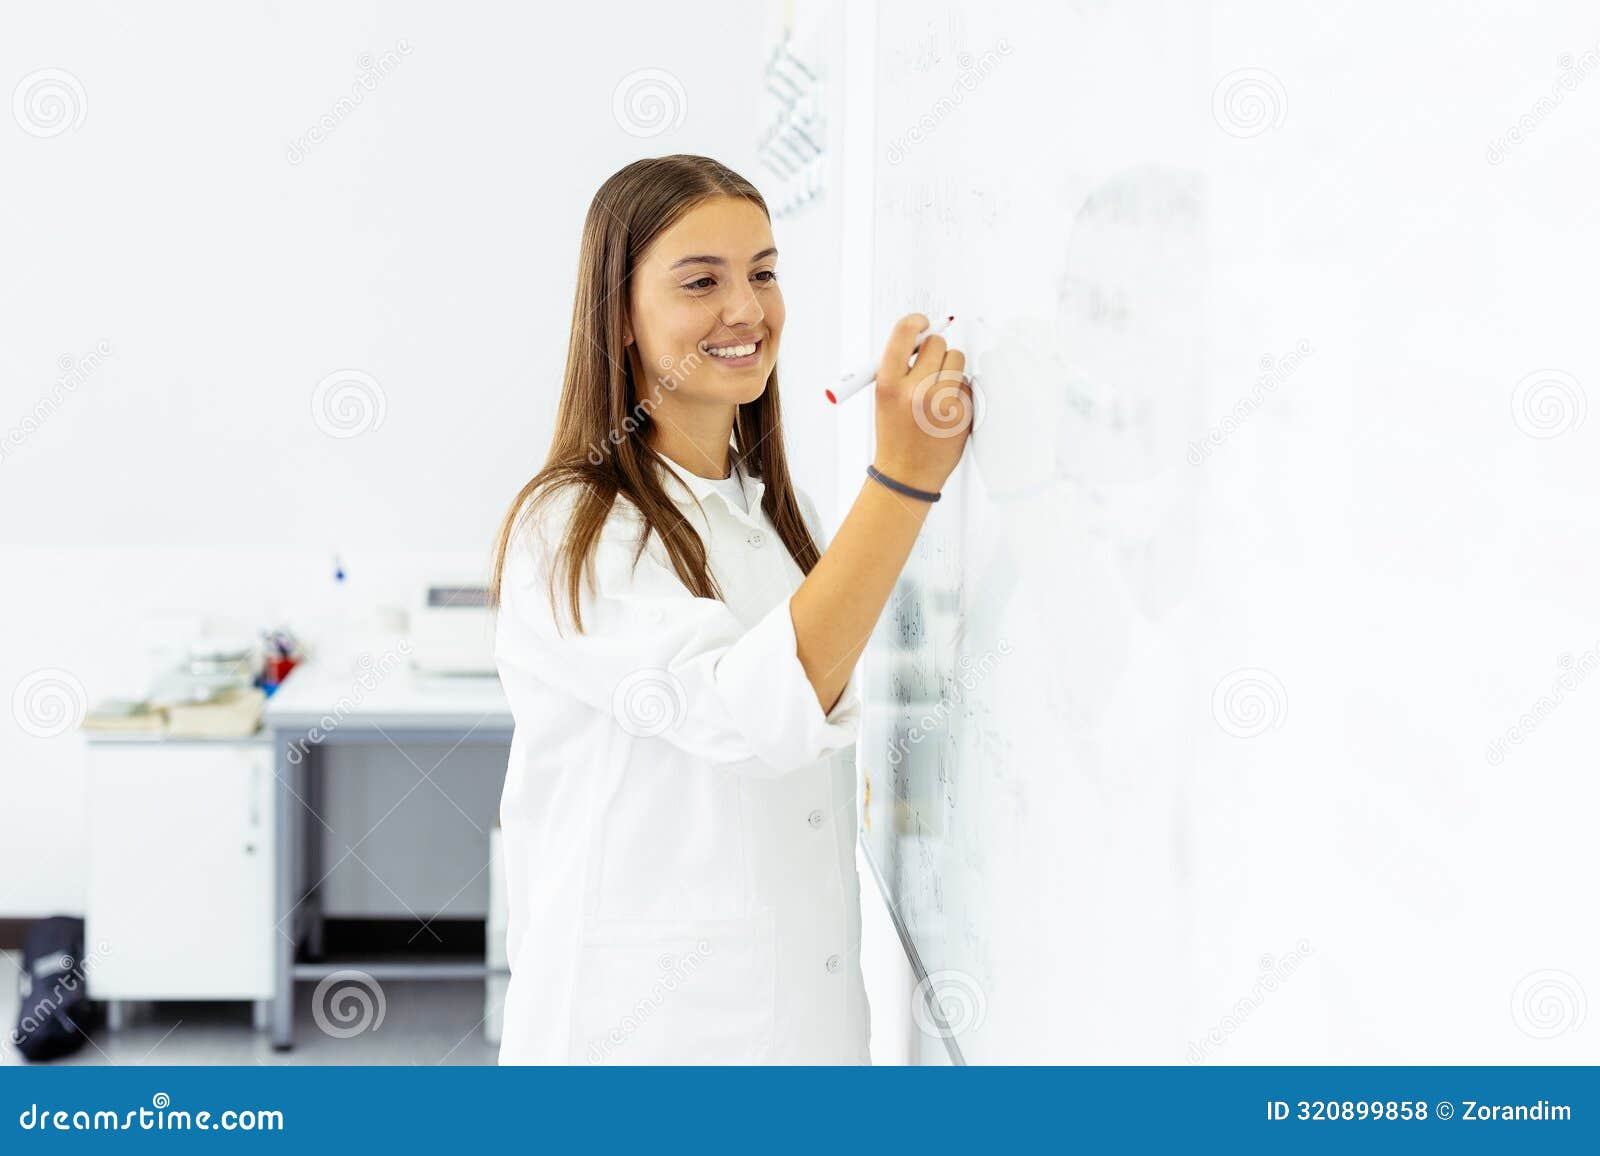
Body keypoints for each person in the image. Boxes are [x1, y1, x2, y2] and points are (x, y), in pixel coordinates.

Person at [487, 154, 972, 1063]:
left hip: (794, 1031)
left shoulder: (774, 520)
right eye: (700, 282)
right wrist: (904, 478)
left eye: (762, 272)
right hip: (643, 1039)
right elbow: (755, 717)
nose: (746, 309)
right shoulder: (575, 526)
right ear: (620, 318)